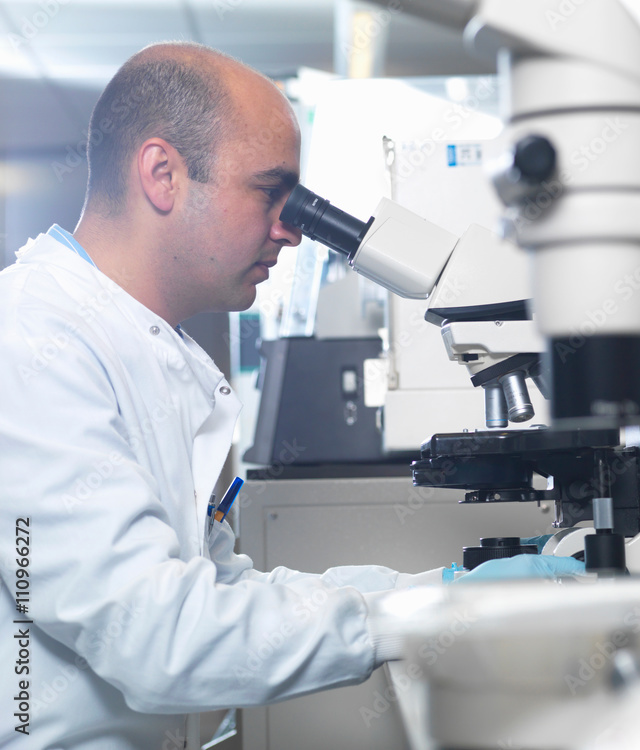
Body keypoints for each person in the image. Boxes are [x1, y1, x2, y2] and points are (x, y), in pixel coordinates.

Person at [0, 42, 582, 749]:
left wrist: (445, 584)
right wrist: (431, 615)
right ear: (163, 175)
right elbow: (157, 640)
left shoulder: (151, 350)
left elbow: (221, 593)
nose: (292, 230)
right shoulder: (33, 342)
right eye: (270, 192)